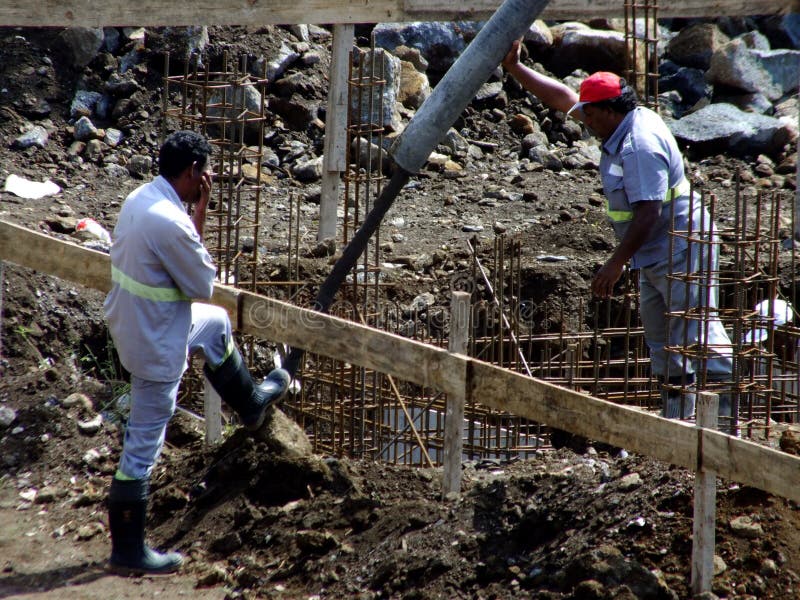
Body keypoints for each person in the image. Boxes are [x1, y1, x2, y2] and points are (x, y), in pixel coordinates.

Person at [502, 40, 734, 423]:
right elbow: (563, 98)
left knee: (698, 334)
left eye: (590, 115)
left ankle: (726, 427)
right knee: (663, 343)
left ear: (609, 111)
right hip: (654, 250)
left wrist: (615, 264)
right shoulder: (618, 119)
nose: (584, 122)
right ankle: (677, 424)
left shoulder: (637, 145)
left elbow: (647, 212)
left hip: (681, 245)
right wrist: (516, 69)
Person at [103, 130, 290, 575]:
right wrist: (198, 217)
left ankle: (251, 404)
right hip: (155, 344)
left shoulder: (142, 199)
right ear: (191, 171)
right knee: (141, 449)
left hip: (138, 326)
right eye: (204, 173)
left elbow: (190, 280)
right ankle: (128, 552)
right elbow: (202, 282)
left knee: (216, 323)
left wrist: (197, 212)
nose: (207, 179)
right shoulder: (170, 222)